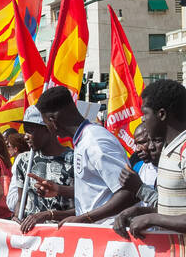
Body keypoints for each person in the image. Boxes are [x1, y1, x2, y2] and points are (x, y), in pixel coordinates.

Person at [113, 80, 186, 240]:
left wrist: (151, 219)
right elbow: (176, 210)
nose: (142, 121)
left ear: (161, 114)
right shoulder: (170, 150)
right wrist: (138, 212)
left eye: (145, 114)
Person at [34, 86, 137, 225]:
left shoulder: (96, 141)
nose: (49, 129)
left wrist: (84, 219)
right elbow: (97, 195)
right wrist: (59, 190)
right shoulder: (82, 141)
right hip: (96, 236)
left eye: (46, 124)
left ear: (53, 120)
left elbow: (129, 193)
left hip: (113, 236)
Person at [10, 106, 75, 230]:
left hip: (63, 236)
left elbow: (85, 208)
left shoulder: (74, 160)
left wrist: (48, 215)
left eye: (30, 131)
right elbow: (21, 200)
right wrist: (17, 217)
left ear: (49, 129)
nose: (25, 137)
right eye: (25, 131)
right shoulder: (23, 160)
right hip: (31, 237)